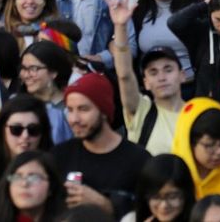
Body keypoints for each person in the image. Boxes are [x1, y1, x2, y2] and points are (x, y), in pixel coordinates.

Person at [51, 72, 152, 218]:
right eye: (70, 110)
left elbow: (152, 213)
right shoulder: (58, 156)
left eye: (83, 109)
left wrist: (106, 205)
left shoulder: (139, 159)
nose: (74, 119)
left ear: (104, 111)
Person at [107, 0, 184, 155]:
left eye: (168, 69)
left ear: (182, 75)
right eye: (153, 72)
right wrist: (120, 27)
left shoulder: (197, 113)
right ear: (145, 82)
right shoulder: (141, 110)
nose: (161, 77)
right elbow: (125, 74)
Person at [0, 150, 68, 222]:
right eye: (17, 177)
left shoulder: (68, 219)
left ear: (51, 187)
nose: (24, 184)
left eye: (34, 177)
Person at [128, 154, 197, 222]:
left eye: (172, 197)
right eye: (156, 197)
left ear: (186, 194)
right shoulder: (130, 219)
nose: (164, 205)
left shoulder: (204, 217)